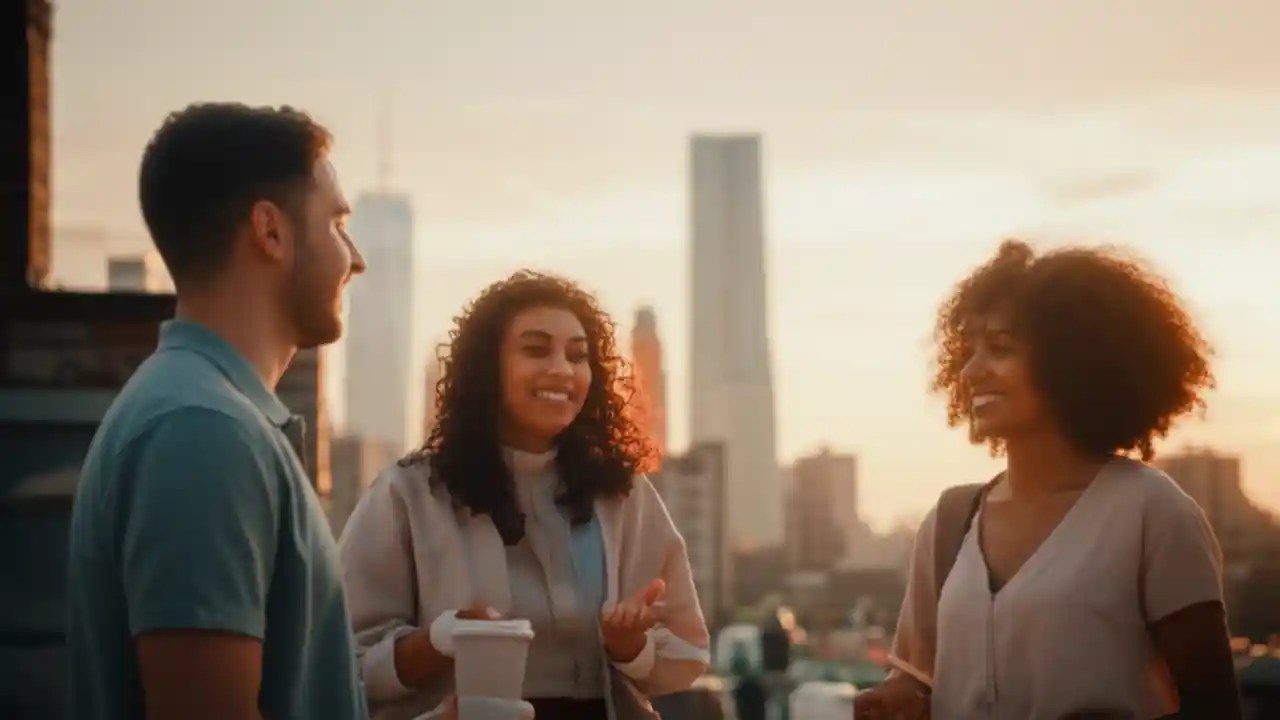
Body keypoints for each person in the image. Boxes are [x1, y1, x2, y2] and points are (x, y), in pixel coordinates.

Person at [67, 103, 368, 720]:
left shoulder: (209, 416)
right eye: (337, 223)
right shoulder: (202, 431)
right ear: (270, 230)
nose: (354, 258)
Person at [855, 240, 1241, 720]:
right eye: (968, 350)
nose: (973, 371)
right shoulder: (950, 522)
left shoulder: (1154, 513)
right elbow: (916, 678)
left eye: (999, 348)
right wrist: (897, 698)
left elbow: (1214, 708)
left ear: (1071, 361)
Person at [339, 271, 710, 720]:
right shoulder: (410, 492)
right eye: (536, 350)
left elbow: (687, 653)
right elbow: (342, 661)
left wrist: (632, 647)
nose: (561, 369)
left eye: (578, 356)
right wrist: (438, 641)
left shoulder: (623, 494)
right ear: (488, 366)